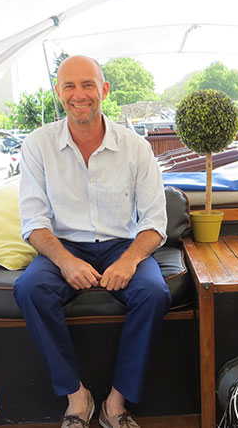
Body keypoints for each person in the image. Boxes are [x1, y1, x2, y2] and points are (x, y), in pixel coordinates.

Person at [15, 55, 169, 428]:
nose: (79, 94)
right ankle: (77, 397)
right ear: (58, 92)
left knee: (154, 293)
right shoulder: (37, 145)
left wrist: (129, 261)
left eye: (88, 85)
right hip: (64, 246)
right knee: (29, 289)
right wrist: (66, 261)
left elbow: (154, 222)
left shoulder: (136, 147)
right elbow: (34, 221)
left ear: (104, 90)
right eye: (69, 86)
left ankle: (115, 404)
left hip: (122, 245)